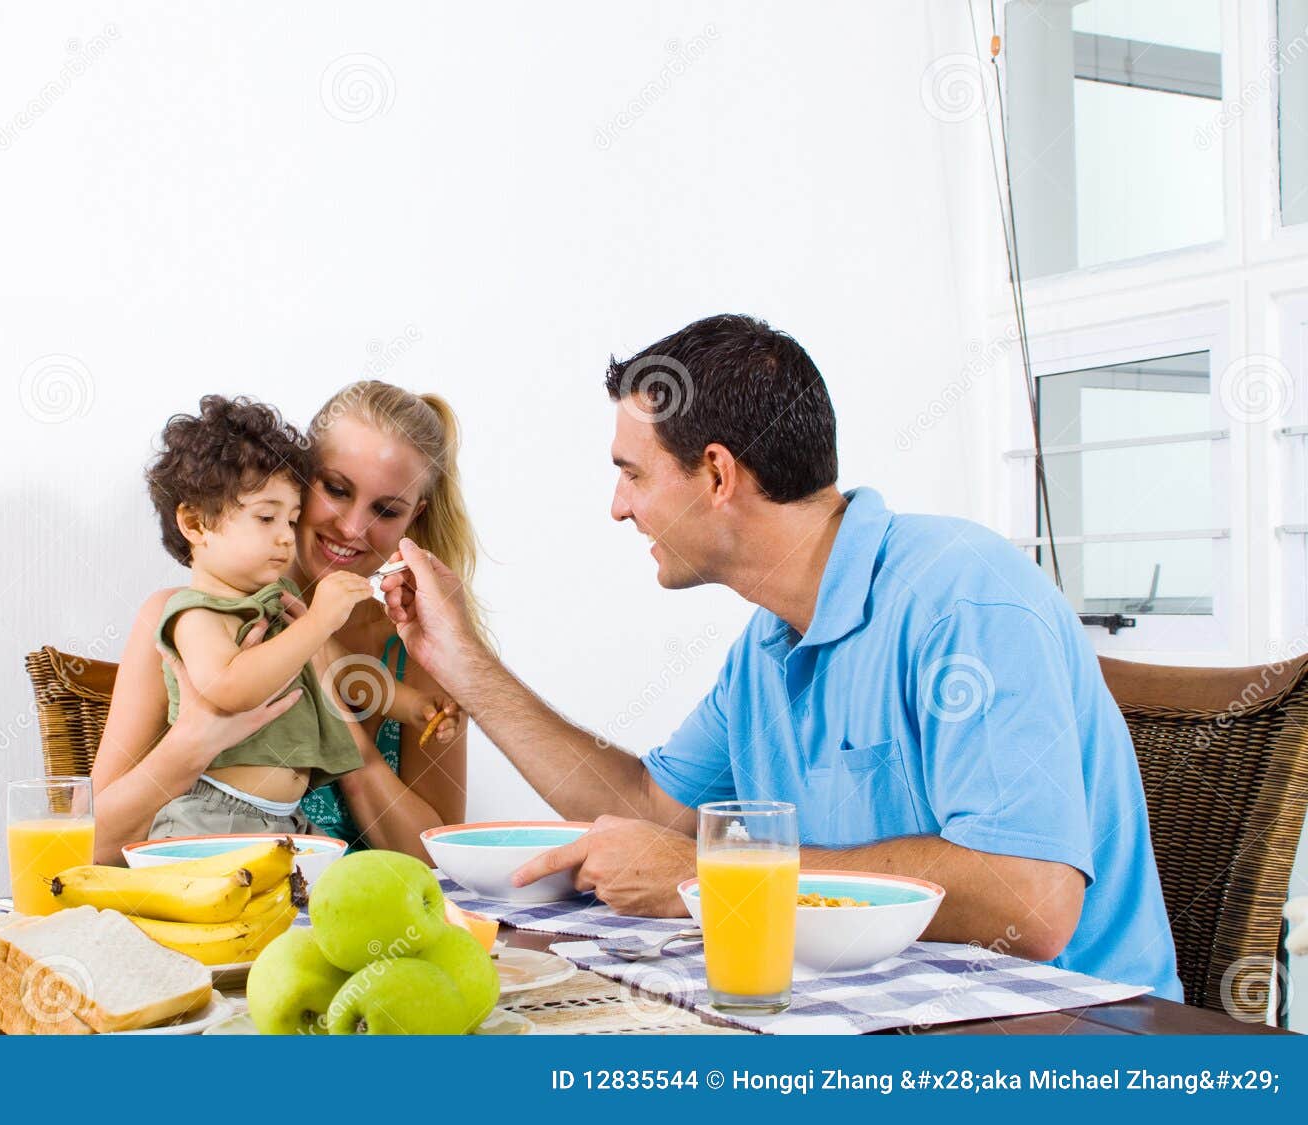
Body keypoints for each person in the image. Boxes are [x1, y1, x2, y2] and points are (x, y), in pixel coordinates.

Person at [382, 314, 1182, 999]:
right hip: (877, 1013)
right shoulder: (768, 645)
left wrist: (711, 879)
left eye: (632, 472)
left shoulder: (963, 597)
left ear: (718, 474)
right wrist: (462, 662)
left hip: (1062, 1031)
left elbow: (1031, 904)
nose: (618, 505)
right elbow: (651, 813)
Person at [92, 381, 484, 864]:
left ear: (413, 518)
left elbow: (441, 863)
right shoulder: (184, 619)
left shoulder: (420, 645)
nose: (352, 527)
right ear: (295, 478)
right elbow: (89, 844)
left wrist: (351, 726)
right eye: (337, 490)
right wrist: (193, 743)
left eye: (386, 509)